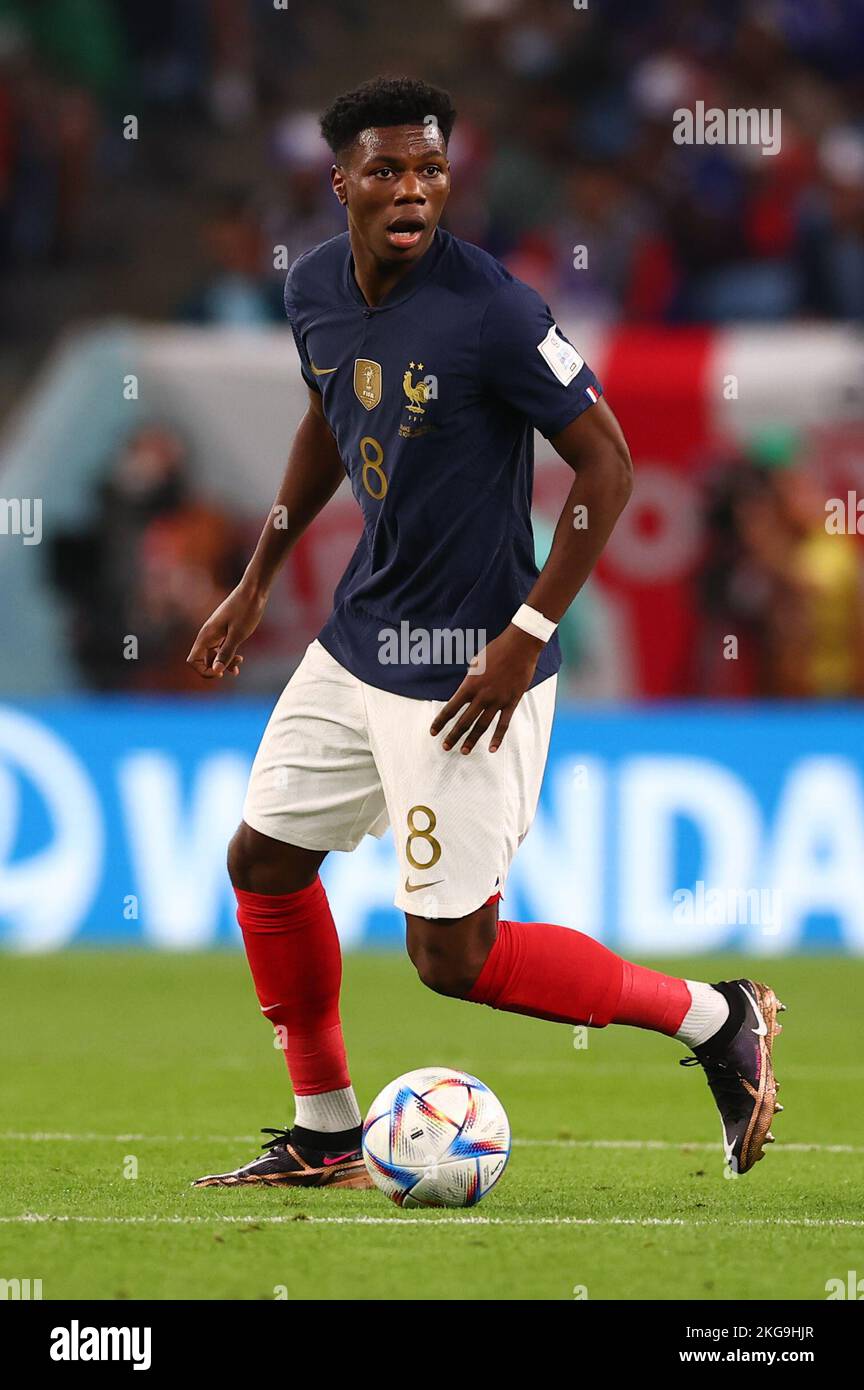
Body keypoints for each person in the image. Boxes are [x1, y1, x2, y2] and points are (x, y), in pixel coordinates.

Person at [187, 77, 784, 1191]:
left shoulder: (495, 310)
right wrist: (259, 572)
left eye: (430, 170)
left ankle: (715, 1017)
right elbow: (333, 410)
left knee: (451, 959)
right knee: (263, 860)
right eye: (387, 171)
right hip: (362, 633)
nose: (412, 190)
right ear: (342, 184)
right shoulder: (314, 285)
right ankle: (325, 1130)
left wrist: (527, 631)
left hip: (469, 667)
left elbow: (608, 463)